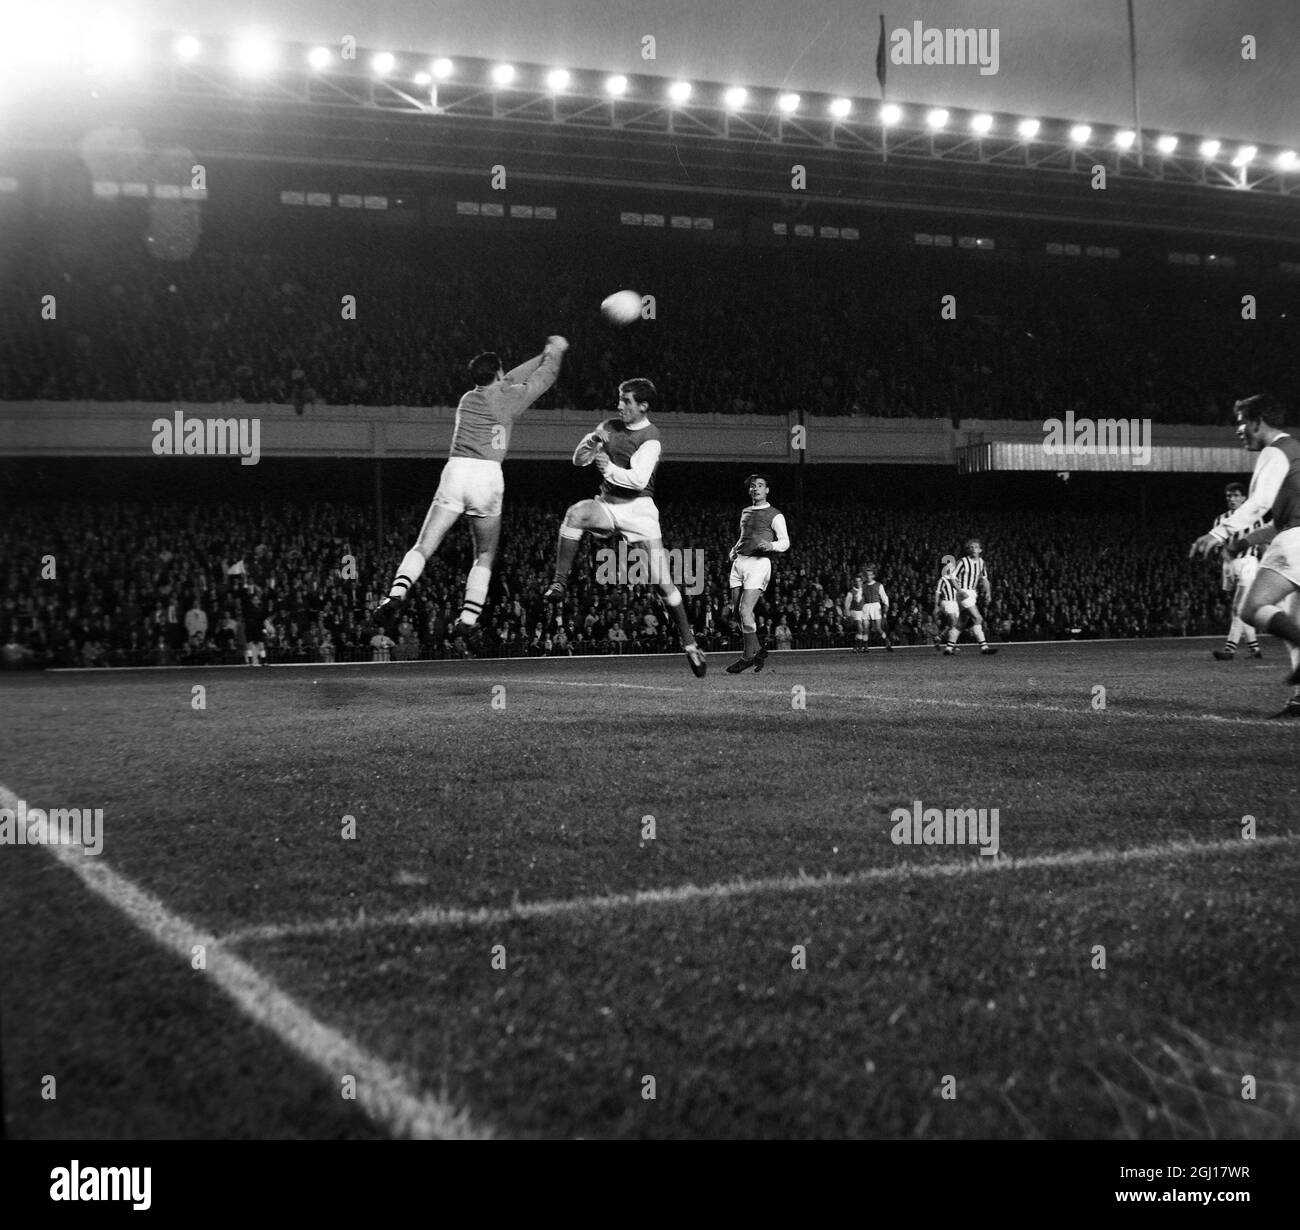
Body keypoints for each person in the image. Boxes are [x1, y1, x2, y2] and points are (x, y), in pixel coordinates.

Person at [375, 336, 568, 649]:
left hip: (456, 471)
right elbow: (545, 379)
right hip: (487, 476)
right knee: (484, 553)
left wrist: (539, 355)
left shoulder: (468, 399)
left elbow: (505, 379)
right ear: (497, 373)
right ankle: (468, 618)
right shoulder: (509, 398)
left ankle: (396, 593)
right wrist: (555, 353)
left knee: (424, 544)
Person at [543, 377, 707, 677]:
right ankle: (559, 583)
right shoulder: (608, 426)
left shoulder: (651, 437)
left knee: (662, 583)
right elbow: (579, 461)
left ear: (643, 406)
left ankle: (690, 645)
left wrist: (608, 468)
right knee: (575, 514)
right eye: (619, 399)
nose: (620, 405)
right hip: (608, 505)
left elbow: (639, 480)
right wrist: (589, 443)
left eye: (627, 401)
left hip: (639, 512)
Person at [1190, 395, 1300, 717]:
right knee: (1293, 623)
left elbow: (1259, 502)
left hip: (1295, 542)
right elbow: (1280, 520)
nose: (1238, 429)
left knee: (1249, 608)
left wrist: (1219, 532)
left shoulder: (1276, 450)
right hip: (1294, 534)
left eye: (1240, 421)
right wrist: (1243, 542)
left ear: (1256, 421)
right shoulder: (1296, 451)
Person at [725, 474, 790, 674]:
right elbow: (744, 536)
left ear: (767, 490)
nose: (756, 489)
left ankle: (747, 656)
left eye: (760, 486)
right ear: (749, 490)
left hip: (759, 563)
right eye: (753, 486)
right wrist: (734, 549)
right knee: (737, 613)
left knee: (745, 611)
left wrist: (771, 545)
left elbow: (785, 541)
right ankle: (757, 651)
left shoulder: (775, 514)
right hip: (739, 562)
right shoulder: (745, 511)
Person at [1210, 482, 1265, 660]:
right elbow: (1218, 545)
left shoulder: (1255, 518)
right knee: (1241, 609)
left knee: (1237, 608)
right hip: (1230, 567)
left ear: (1243, 498)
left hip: (1248, 563)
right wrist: (1222, 555)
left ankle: (1229, 649)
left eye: (1235, 495)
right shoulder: (1221, 519)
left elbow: (1263, 544)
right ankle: (1255, 649)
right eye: (1229, 496)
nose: (1231, 499)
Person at [940, 540, 999, 655]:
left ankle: (948, 648)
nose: (973, 549)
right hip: (964, 593)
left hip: (972, 593)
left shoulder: (981, 562)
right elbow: (952, 577)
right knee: (978, 618)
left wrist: (988, 593)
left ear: (980, 550)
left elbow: (984, 579)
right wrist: (959, 590)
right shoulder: (963, 561)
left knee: (961, 623)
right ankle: (984, 647)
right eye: (971, 547)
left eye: (976, 547)